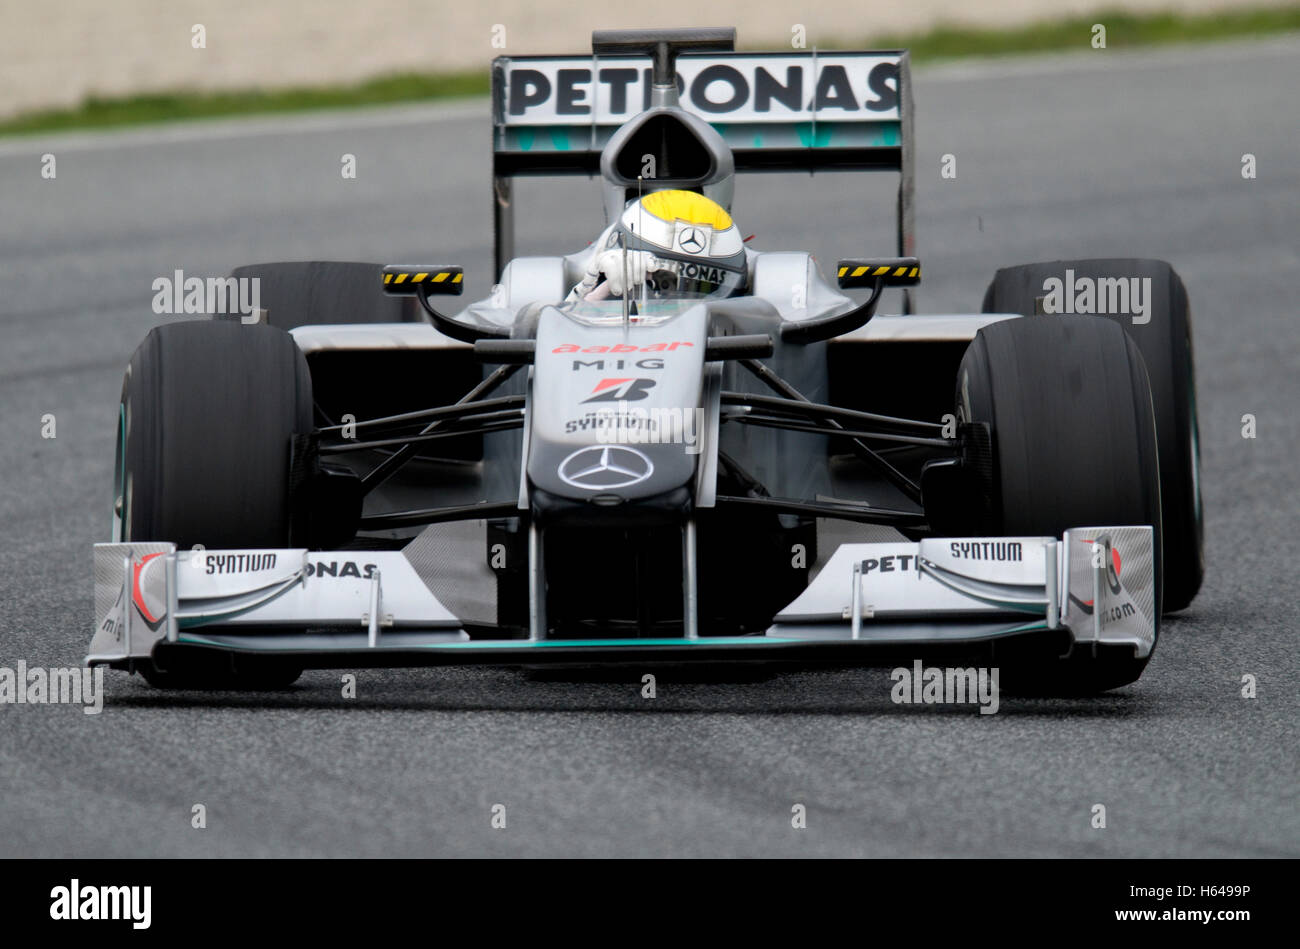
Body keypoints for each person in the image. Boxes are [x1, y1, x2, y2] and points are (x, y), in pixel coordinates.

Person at [566, 189, 748, 303]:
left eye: (701, 289)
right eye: (661, 285)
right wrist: (583, 299)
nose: (679, 310)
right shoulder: (598, 294)